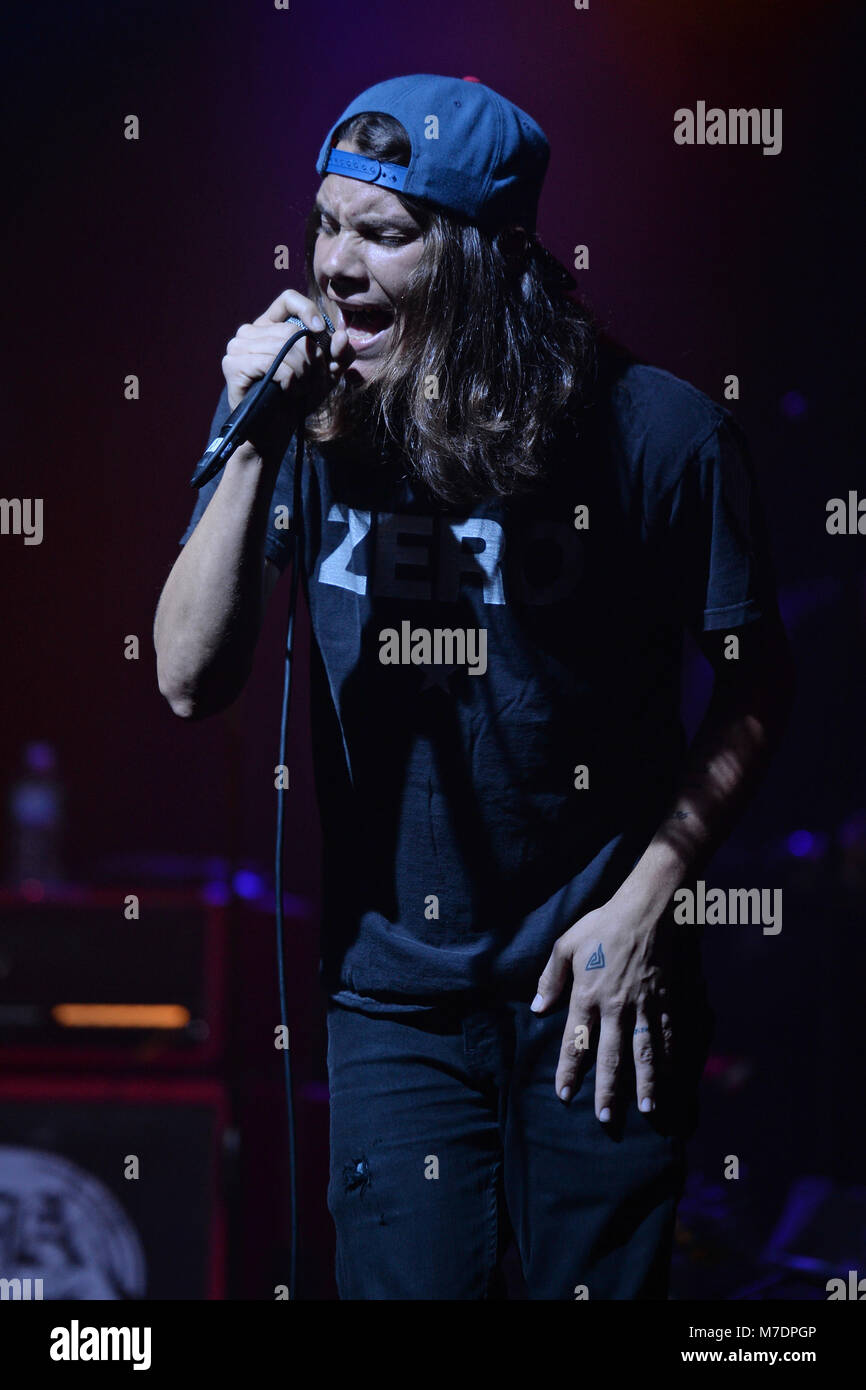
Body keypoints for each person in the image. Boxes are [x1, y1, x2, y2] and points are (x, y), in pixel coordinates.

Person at [153, 74, 795, 1300]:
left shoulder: (656, 435)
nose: (337, 262)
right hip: (392, 996)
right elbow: (187, 678)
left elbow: (757, 683)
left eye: (382, 234)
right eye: (324, 223)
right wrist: (246, 430)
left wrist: (647, 901)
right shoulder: (308, 426)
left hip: (594, 980)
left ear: (488, 257)